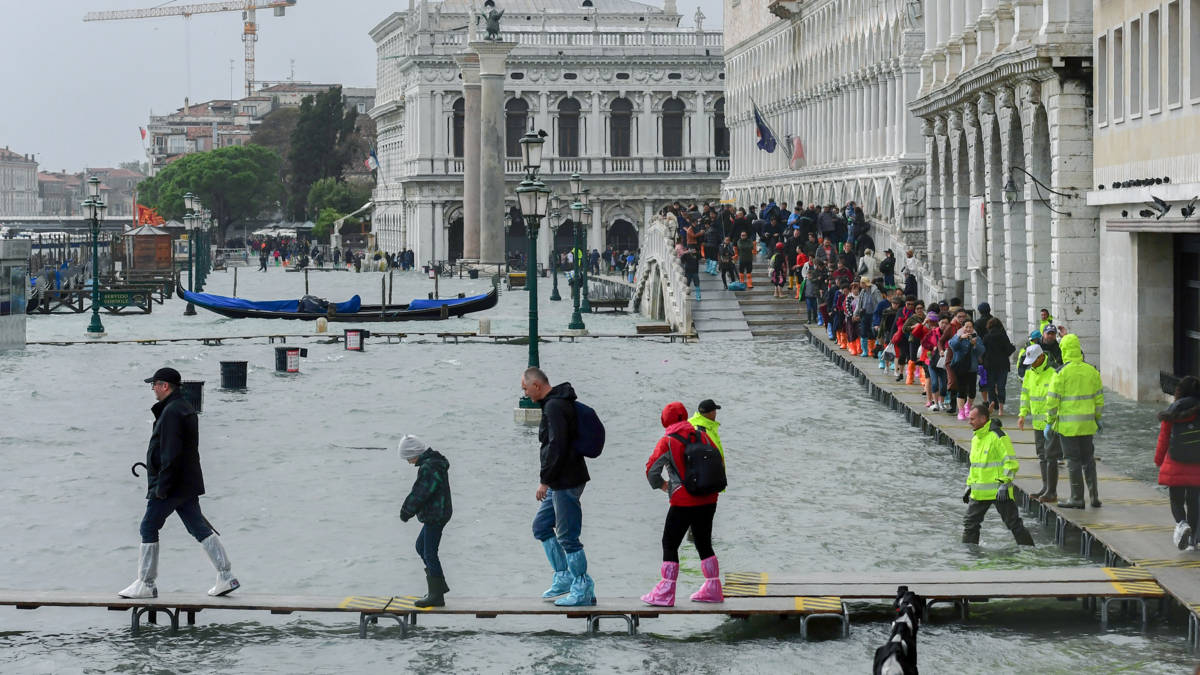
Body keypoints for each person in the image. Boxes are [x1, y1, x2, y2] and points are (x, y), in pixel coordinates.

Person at [119, 367, 240, 599]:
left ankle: (146, 583)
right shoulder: (181, 408)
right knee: (198, 527)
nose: (152, 389)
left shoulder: (173, 412)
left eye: (154, 384)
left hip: (172, 484)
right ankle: (226, 575)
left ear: (165, 386)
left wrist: (161, 487)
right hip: (185, 483)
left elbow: (171, 454)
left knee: (148, 527)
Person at [521, 367, 595, 606]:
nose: (524, 394)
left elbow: (558, 446)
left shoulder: (554, 407)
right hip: (559, 478)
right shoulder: (555, 403)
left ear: (537, 386)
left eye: (525, 388)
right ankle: (564, 577)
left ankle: (582, 586)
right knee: (542, 526)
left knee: (568, 536)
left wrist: (544, 480)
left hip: (566, 480)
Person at [641, 402, 723, 606]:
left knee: (669, 543)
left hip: (683, 500)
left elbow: (652, 470)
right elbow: (718, 460)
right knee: (703, 542)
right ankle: (713, 588)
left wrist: (662, 485)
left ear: (665, 420)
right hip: (709, 497)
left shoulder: (667, 441)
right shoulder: (701, 434)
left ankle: (666, 591)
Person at [1044, 333, 1104, 509]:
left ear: (1064, 351)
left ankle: (1077, 498)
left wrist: (1050, 422)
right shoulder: (1092, 371)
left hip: (1068, 427)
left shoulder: (1060, 373)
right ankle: (1094, 497)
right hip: (1087, 425)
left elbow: (1052, 401)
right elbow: (1099, 400)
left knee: (1073, 460)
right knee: (1089, 460)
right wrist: (1097, 419)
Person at [961, 404, 1035, 545]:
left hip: (1000, 491)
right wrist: (969, 485)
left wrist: (1004, 484)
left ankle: (1029, 551)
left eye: (972, 419)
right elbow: (975, 466)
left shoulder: (998, 436)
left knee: (1014, 524)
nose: (969, 421)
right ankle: (970, 557)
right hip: (980, 492)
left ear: (983, 419)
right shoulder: (976, 438)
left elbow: (1011, 463)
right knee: (970, 524)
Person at [398, 435, 452, 607]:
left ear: (415, 453)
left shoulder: (429, 468)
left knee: (429, 552)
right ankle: (438, 587)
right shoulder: (433, 463)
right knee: (421, 547)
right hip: (438, 512)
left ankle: (436, 595)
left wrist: (406, 511)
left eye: (407, 457)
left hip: (435, 515)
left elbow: (421, 493)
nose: (408, 461)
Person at [1155, 376, 1200, 550]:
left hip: (1176, 462)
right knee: (1194, 500)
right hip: (1197, 464)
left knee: (1176, 500)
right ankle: (1193, 541)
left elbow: (1164, 438)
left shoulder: (1172, 411)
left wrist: (1159, 460)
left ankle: (1181, 524)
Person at [1017, 345, 1061, 503]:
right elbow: (1025, 395)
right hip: (1037, 422)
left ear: (1041, 357)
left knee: (1051, 456)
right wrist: (1022, 414)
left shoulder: (1054, 372)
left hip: (1052, 422)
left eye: (1033, 361)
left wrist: (1053, 420)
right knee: (1042, 456)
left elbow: (1057, 397)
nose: (1031, 364)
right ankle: (1045, 487)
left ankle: (1052, 491)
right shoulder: (1029, 373)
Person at [948, 320, 985, 420]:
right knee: (961, 389)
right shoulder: (958, 335)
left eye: (970, 327)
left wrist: (974, 345)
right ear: (963, 327)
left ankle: (968, 406)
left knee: (972, 390)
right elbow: (952, 345)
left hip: (972, 367)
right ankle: (961, 411)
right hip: (960, 366)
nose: (968, 329)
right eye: (966, 327)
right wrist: (960, 338)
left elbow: (981, 351)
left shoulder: (976, 337)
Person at [981, 317, 1015, 415]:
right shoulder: (1003, 336)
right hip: (1002, 364)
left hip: (990, 365)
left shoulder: (986, 337)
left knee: (991, 386)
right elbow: (1009, 349)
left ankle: (992, 405)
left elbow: (983, 351)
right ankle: (1001, 409)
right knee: (1001, 386)